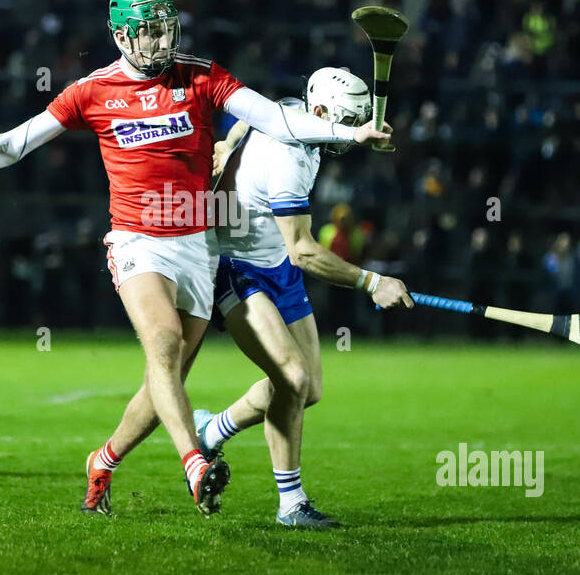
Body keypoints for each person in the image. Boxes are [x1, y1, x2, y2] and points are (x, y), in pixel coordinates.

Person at [0, 0, 392, 516]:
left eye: (168, 28)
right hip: (137, 241)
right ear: (121, 37)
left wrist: (353, 132)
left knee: (168, 382)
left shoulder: (202, 75)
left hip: (198, 248)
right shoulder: (92, 91)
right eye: (151, 31)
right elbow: (17, 142)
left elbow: (276, 118)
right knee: (161, 343)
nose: (163, 40)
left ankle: (104, 460)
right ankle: (196, 464)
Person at [88, 68, 414, 528]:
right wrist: (371, 282)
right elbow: (304, 251)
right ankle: (291, 504)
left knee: (308, 389)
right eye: (343, 121)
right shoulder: (291, 160)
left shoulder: (295, 114)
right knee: (291, 377)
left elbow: (257, 115)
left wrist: (231, 140)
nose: (342, 131)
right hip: (237, 265)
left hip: (274, 263)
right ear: (320, 111)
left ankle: (211, 429)